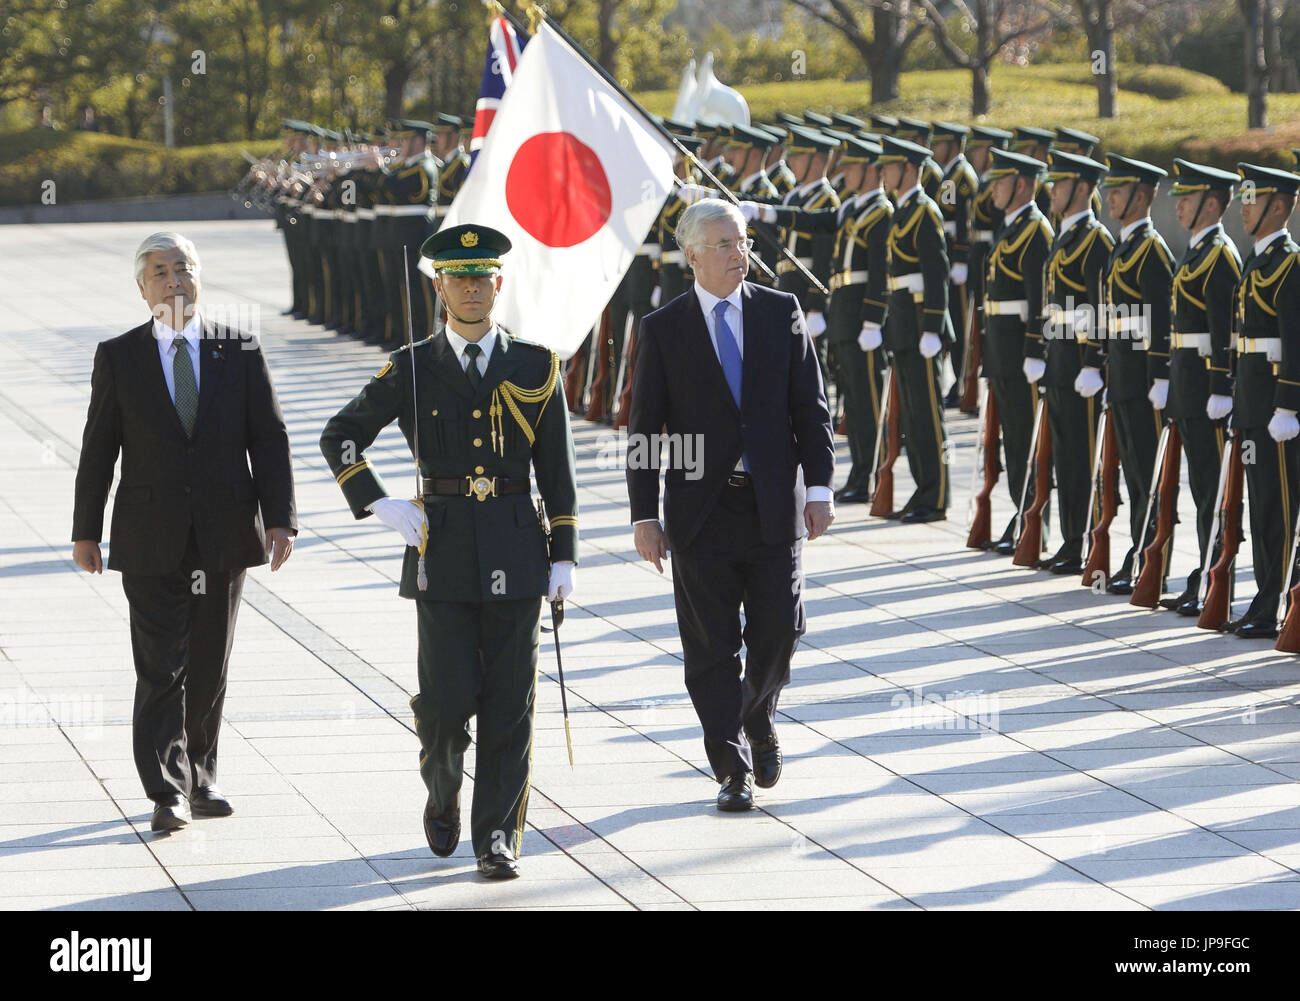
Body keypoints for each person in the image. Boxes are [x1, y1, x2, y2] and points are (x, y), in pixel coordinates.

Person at [319, 224, 578, 879]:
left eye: (481, 275)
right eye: (457, 277)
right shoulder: (411, 367)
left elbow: (559, 469)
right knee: (443, 701)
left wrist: (566, 553)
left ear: (499, 281)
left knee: (510, 701)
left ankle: (498, 836)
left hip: (519, 550)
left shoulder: (536, 365)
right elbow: (341, 434)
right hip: (442, 553)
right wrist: (379, 502)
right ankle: (441, 786)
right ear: (438, 286)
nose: (470, 287)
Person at [71, 232, 297, 832]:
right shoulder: (119, 356)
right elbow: (99, 450)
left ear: (199, 279)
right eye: (161, 272)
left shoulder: (238, 349)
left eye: (184, 269)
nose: (175, 280)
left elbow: (268, 439)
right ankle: (165, 790)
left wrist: (279, 519)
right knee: (158, 666)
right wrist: (85, 531)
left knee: (209, 662)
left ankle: (202, 775)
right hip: (149, 535)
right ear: (142, 288)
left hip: (223, 532)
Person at [627, 198, 835, 812]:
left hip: (773, 506)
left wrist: (820, 488)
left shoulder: (782, 312)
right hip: (700, 513)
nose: (739, 254)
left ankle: (757, 715)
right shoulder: (663, 328)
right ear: (692, 256)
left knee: (779, 630)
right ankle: (731, 766)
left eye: (742, 242)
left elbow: (811, 409)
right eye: (723, 245)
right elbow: (645, 430)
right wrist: (645, 516)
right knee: (710, 647)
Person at [1080, 154, 1173, 595]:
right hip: (1123, 380)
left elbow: (1157, 319)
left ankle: (1151, 559)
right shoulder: (1124, 248)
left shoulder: (1152, 251)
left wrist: (1159, 375)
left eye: (1118, 190)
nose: (1110, 197)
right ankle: (1137, 554)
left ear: (1141, 195)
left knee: (1150, 481)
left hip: (1142, 384)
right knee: (1133, 475)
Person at [1025, 150, 1113, 573]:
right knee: (1064, 456)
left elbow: (1102, 307)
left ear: (1082, 187)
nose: (1051, 191)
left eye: (1059, 184)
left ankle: (1090, 539)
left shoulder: (1096, 240)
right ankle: (1071, 537)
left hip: (1082, 368)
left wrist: (1094, 361)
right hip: (1060, 362)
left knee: (1085, 457)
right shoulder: (1064, 236)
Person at [1162, 159, 1243, 616]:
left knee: (1215, 492)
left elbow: (1224, 329)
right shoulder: (1196, 251)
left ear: (1211, 204)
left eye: (1187, 199)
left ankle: (1217, 576)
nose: (1178, 206)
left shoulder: (1219, 256)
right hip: (1188, 387)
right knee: (1201, 490)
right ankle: (1206, 571)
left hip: (1206, 392)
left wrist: (1220, 386)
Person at [1226, 164, 1300, 638]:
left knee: (1282, 508)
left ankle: (1285, 598)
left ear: (1279, 205)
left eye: (1251, 198)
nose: (1243, 205)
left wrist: (1288, 405)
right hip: (1254, 406)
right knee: (1260, 505)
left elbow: (1295, 339)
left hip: (1277, 411)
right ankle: (1265, 597)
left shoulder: (1291, 263)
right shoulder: (1257, 260)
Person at [878, 134, 952, 523]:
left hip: (921, 324)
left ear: (909, 168)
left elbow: (936, 271)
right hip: (904, 324)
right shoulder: (901, 210)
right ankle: (922, 490)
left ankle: (935, 496)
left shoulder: (925, 211)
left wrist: (933, 327)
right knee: (911, 416)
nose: (884, 172)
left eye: (890, 165)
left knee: (928, 416)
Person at [983, 147, 1053, 554]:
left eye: (1001, 182)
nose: (993, 190)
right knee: (1012, 439)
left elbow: (1041, 298)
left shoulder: (1035, 231)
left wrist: (1035, 349)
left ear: (1022, 186)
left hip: (1021, 353)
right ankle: (1021, 509)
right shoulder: (1012, 227)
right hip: (1002, 349)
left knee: (1028, 439)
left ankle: (1034, 517)